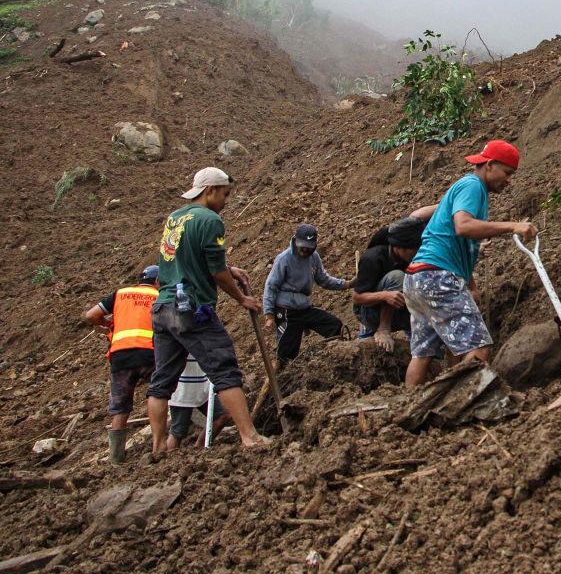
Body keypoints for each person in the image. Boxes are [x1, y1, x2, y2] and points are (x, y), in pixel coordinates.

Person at [145, 167, 268, 453]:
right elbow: (215, 271)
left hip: (163, 306)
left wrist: (229, 267)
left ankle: (158, 446)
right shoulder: (211, 220)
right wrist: (242, 299)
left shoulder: (175, 218)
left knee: (162, 380)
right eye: (225, 194)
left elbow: (187, 258)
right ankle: (250, 437)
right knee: (225, 370)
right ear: (210, 190)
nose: (226, 201)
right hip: (191, 308)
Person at [402, 139, 537, 387]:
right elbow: (463, 226)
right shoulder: (473, 185)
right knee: (478, 347)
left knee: (422, 354)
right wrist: (512, 226)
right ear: (490, 165)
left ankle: (408, 410)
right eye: (507, 173)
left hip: (418, 277)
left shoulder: (467, 188)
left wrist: (470, 283)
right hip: (437, 277)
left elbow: (455, 240)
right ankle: (462, 406)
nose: (509, 180)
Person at [83, 264, 159, 463]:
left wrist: (109, 325)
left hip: (120, 355)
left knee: (120, 405)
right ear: (157, 281)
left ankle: (116, 457)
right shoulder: (159, 295)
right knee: (161, 393)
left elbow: (91, 315)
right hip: (149, 352)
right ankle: (161, 443)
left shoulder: (121, 294)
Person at [262, 223, 351, 365]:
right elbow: (271, 286)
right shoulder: (284, 259)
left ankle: (336, 363)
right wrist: (269, 315)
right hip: (286, 311)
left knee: (335, 327)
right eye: (302, 246)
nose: (305, 250)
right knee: (287, 355)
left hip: (304, 307)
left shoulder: (314, 257)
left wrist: (347, 284)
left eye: (309, 247)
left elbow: (323, 279)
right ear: (295, 240)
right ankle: (280, 380)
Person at [350, 215, 429, 352]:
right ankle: (383, 329)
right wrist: (385, 295)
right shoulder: (373, 258)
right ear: (401, 247)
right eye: (415, 249)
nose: (418, 253)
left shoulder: (409, 259)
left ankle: (420, 345)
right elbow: (356, 297)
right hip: (368, 312)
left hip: (396, 310)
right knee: (396, 277)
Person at [167, 354, 229, 449]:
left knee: (221, 416)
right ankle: (167, 459)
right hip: (182, 386)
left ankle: (198, 448)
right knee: (178, 431)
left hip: (201, 381)